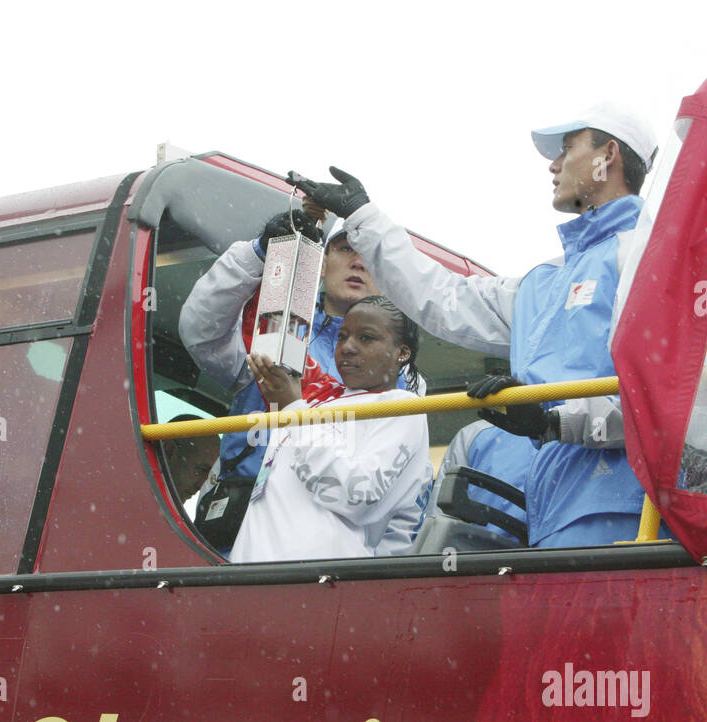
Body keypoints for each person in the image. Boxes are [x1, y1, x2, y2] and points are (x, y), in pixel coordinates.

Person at [289, 102, 661, 548]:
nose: (554, 165)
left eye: (566, 148)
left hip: (626, 515)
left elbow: (669, 399)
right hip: (549, 517)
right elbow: (444, 298)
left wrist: (553, 419)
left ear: (609, 156)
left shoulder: (648, 256)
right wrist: (363, 216)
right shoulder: (544, 282)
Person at [178, 202, 390, 551]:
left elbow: (401, 497)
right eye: (346, 248)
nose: (358, 261)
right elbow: (200, 329)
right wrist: (260, 252)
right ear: (320, 264)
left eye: (369, 254)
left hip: (334, 547)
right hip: (244, 531)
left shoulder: (403, 377)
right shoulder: (272, 326)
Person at [229, 296, 433, 563]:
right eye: (342, 336)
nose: (347, 347)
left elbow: (356, 496)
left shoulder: (402, 407)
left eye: (366, 338)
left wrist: (293, 411)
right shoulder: (316, 400)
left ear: (402, 353)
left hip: (320, 583)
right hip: (249, 577)